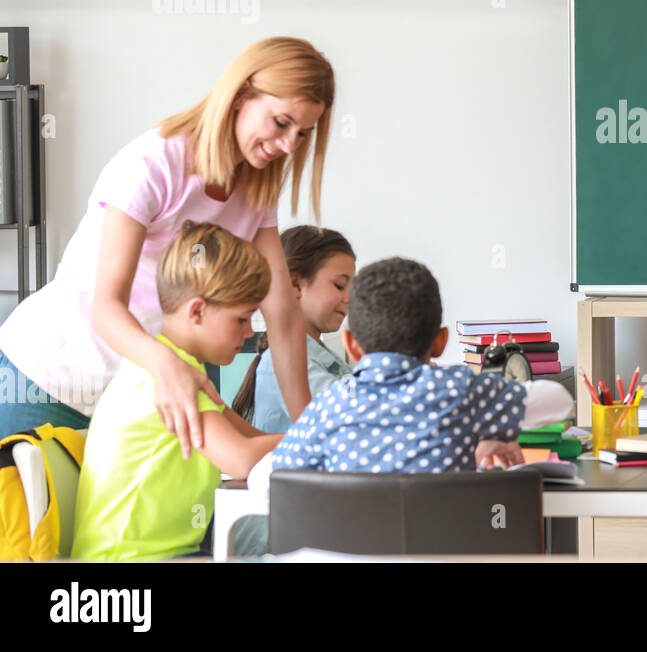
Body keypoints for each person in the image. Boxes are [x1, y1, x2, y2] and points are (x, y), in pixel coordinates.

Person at [0, 37, 333, 457]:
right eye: (281, 122)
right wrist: (166, 365)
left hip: (132, 395)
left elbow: (282, 315)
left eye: (303, 133)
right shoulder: (153, 165)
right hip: (48, 379)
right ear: (241, 94)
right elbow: (107, 307)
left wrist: (310, 428)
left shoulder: (255, 189)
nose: (288, 145)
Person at [71, 222, 284, 560]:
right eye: (241, 319)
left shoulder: (180, 369)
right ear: (197, 310)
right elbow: (243, 459)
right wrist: (319, 435)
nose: (248, 333)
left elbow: (252, 437)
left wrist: (309, 435)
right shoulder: (172, 383)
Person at [273, 257, 573, 474]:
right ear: (441, 341)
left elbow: (275, 476)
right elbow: (558, 401)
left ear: (351, 344)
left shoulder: (329, 406)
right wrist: (491, 428)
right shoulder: (462, 393)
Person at [231, 226, 356, 431]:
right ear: (295, 284)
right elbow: (349, 419)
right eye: (340, 286)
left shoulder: (324, 361)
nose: (348, 298)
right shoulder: (284, 363)